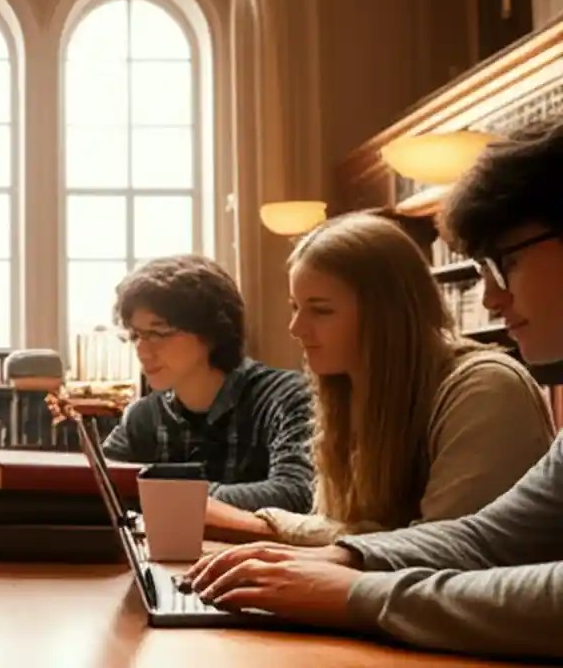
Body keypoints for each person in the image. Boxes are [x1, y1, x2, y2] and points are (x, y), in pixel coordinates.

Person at [186, 121, 563, 660]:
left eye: (508, 261)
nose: (490, 301)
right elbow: (485, 536)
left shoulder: (484, 386)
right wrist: (343, 559)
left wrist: (354, 590)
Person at [204, 213, 554, 546]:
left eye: (321, 310)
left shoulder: (486, 389)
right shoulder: (345, 390)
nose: (296, 329)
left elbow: (443, 550)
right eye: (296, 307)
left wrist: (267, 526)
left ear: (387, 314)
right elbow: (348, 530)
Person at [101, 255, 315, 513]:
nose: (142, 351)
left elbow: (296, 494)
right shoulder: (143, 416)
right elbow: (99, 488)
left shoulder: (286, 398)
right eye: (136, 335)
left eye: (158, 334)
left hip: (258, 552)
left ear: (212, 331)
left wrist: (166, 492)